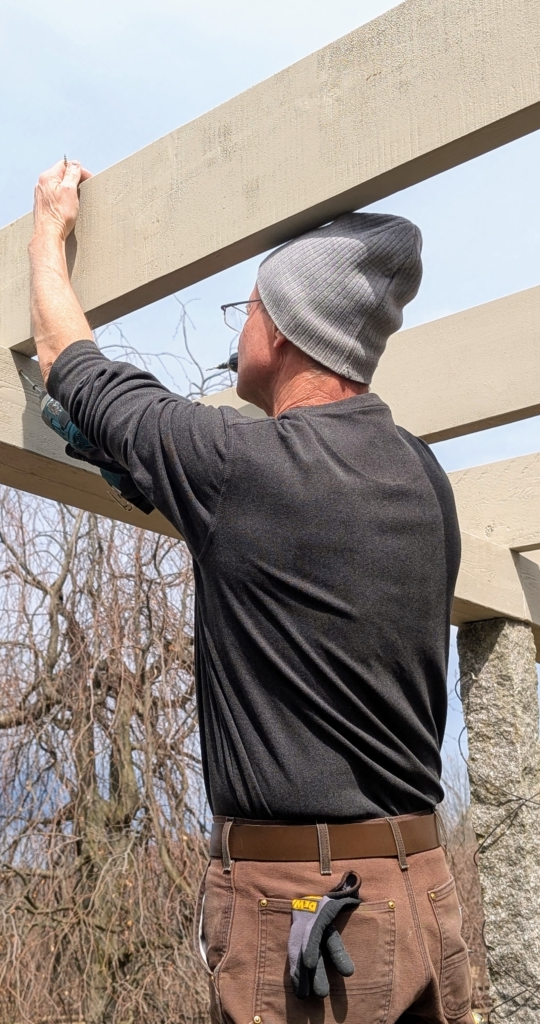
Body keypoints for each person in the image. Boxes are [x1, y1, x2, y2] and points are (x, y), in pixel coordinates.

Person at [28, 159, 474, 1024]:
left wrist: (49, 229)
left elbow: (67, 363)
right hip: (421, 890)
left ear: (289, 330)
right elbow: (277, 549)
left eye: (251, 311)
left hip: (308, 912)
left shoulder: (241, 468)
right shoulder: (423, 476)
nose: (241, 334)